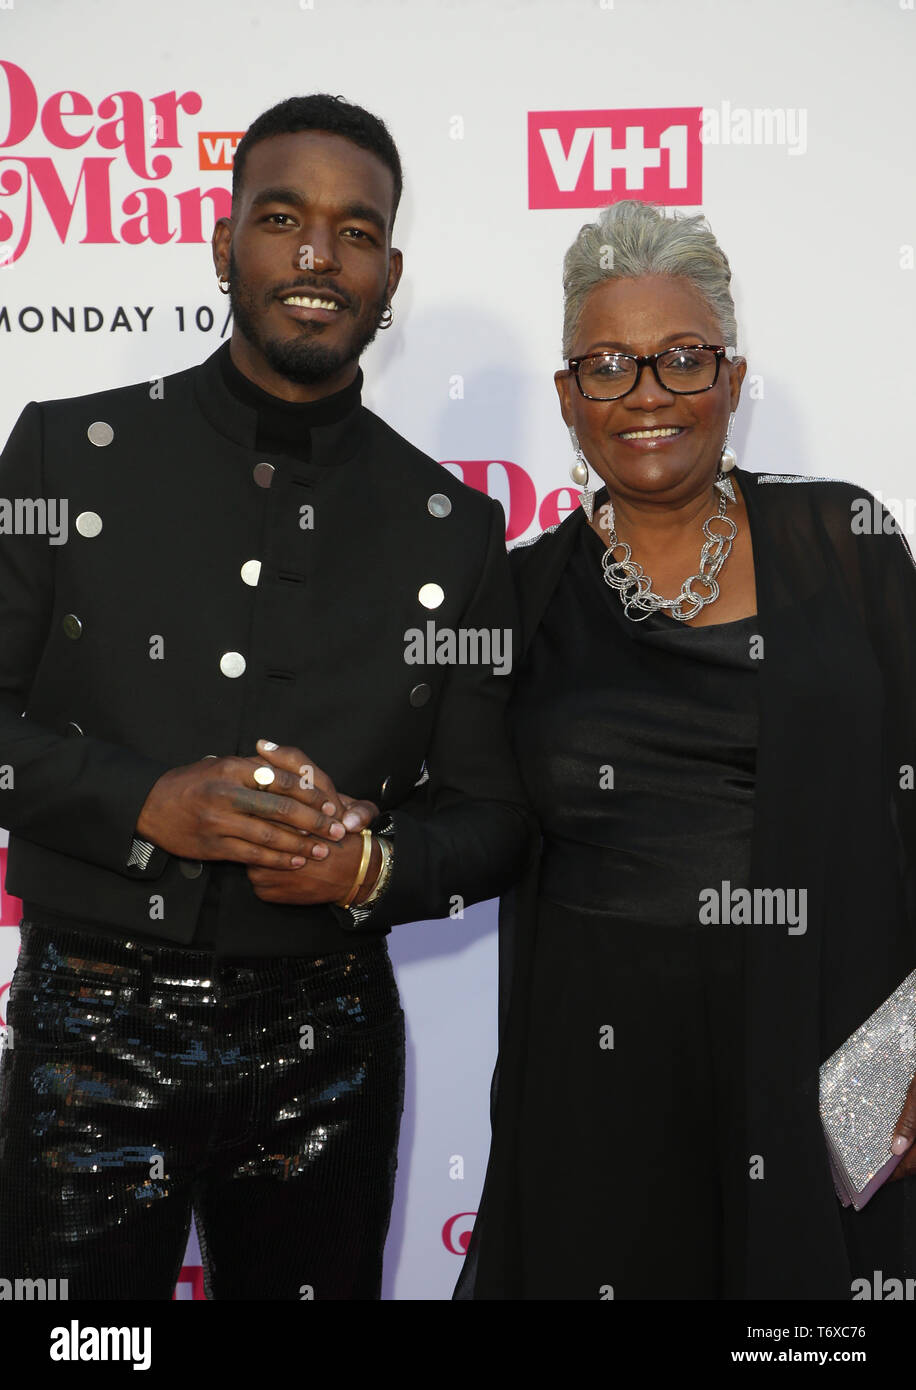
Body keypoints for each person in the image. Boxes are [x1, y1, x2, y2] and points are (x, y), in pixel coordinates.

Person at [0, 94, 532, 1300]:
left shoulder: (452, 529)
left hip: (328, 1041)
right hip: (90, 1029)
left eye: (355, 231)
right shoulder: (64, 454)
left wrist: (373, 870)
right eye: (282, 218)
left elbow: (494, 813)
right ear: (223, 240)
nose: (316, 256)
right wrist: (146, 802)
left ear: (388, 271)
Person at [455, 199, 916, 1300]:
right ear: (568, 398)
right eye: (608, 364)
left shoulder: (844, 541)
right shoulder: (519, 597)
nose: (648, 393)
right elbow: (461, 820)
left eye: (682, 358)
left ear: (733, 380)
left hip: (833, 1046)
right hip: (600, 1077)